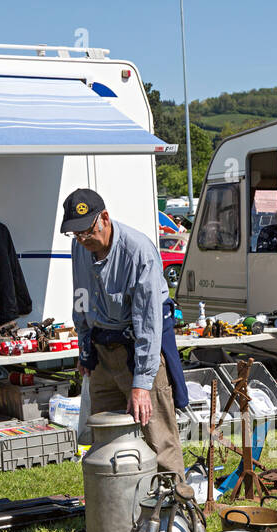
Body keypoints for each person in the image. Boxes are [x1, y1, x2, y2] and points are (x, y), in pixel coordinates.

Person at [64, 188, 189, 477]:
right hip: (101, 353)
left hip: (138, 353)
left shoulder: (138, 251)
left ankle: (178, 513)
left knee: (159, 441)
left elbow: (148, 322)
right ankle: (117, 512)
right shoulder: (80, 249)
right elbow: (80, 296)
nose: (82, 241)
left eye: (86, 233)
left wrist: (142, 384)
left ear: (104, 218)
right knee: (105, 441)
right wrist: (85, 347)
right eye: (76, 235)